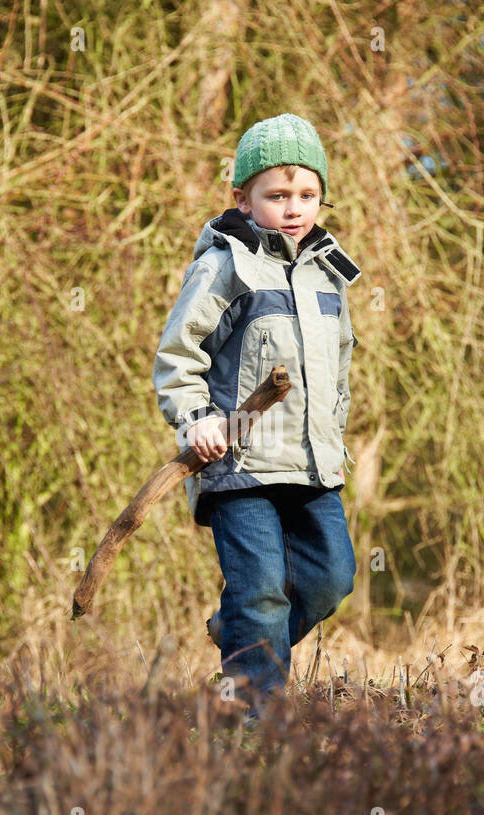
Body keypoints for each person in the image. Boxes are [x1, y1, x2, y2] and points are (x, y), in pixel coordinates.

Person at [152, 113, 360, 722]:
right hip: (238, 466)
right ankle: (253, 721)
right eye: (276, 195)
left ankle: (238, 630)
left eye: (307, 195)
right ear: (242, 197)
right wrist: (196, 419)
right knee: (264, 589)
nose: (294, 208)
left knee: (332, 578)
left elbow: (341, 366)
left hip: (313, 466)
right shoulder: (225, 266)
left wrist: (334, 433)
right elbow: (177, 353)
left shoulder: (330, 273)